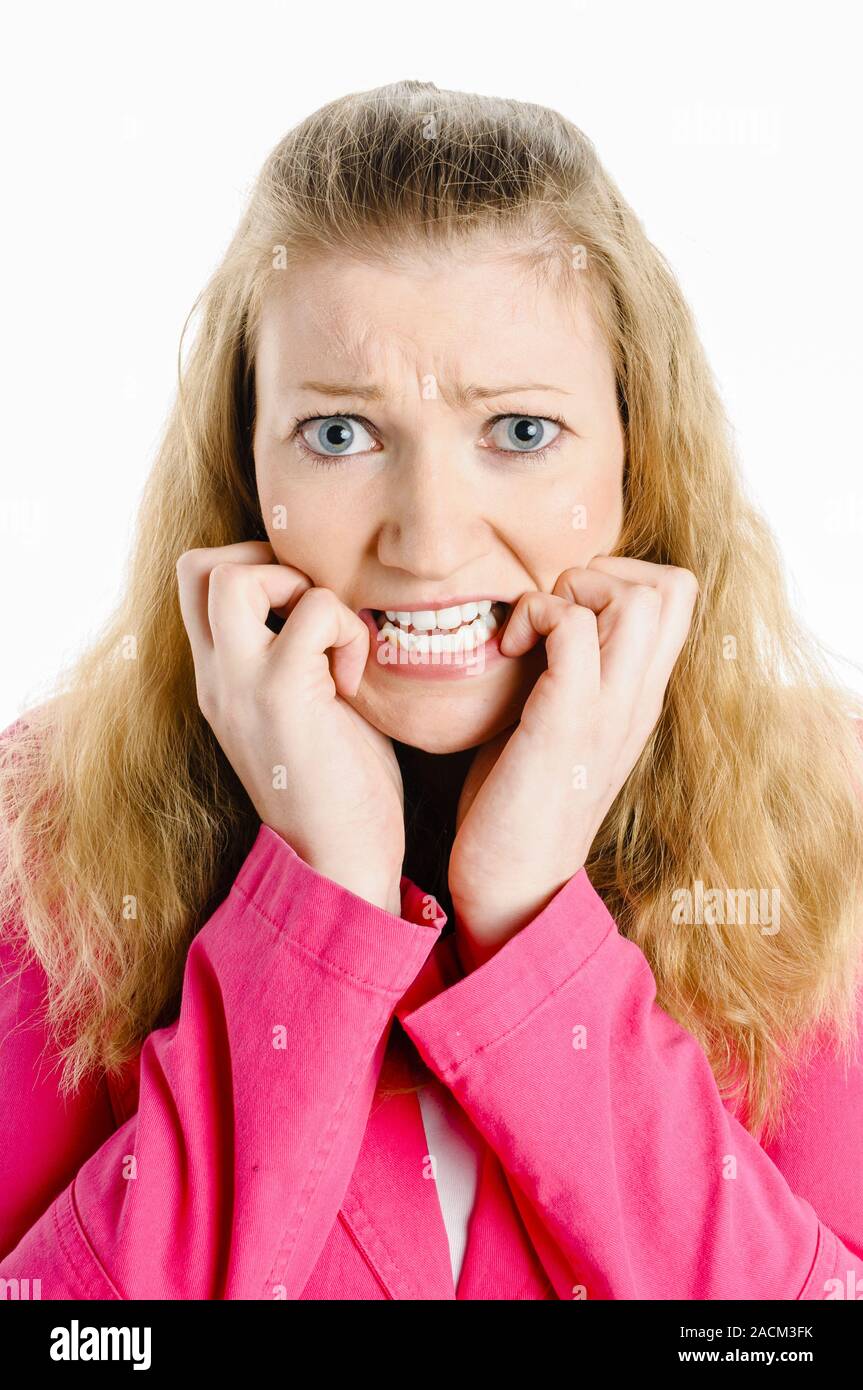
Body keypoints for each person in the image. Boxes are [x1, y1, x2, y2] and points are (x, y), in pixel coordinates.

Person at [1, 79, 862, 1301]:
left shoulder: (832, 833)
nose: (427, 539)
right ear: (245, 466)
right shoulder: (40, 847)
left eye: (518, 431)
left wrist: (526, 919)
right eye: (340, 435)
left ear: (636, 452)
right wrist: (320, 910)